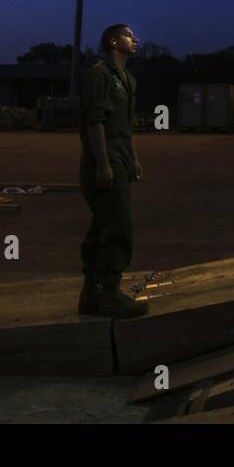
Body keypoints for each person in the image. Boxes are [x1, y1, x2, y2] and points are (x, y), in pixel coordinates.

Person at [77, 23, 148, 318]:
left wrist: (133, 158)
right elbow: (95, 122)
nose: (135, 39)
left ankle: (91, 295)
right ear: (112, 41)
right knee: (119, 224)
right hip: (102, 157)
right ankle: (110, 294)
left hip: (120, 154)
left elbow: (125, 126)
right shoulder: (99, 74)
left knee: (103, 224)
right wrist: (103, 164)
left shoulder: (128, 79)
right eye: (129, 35)